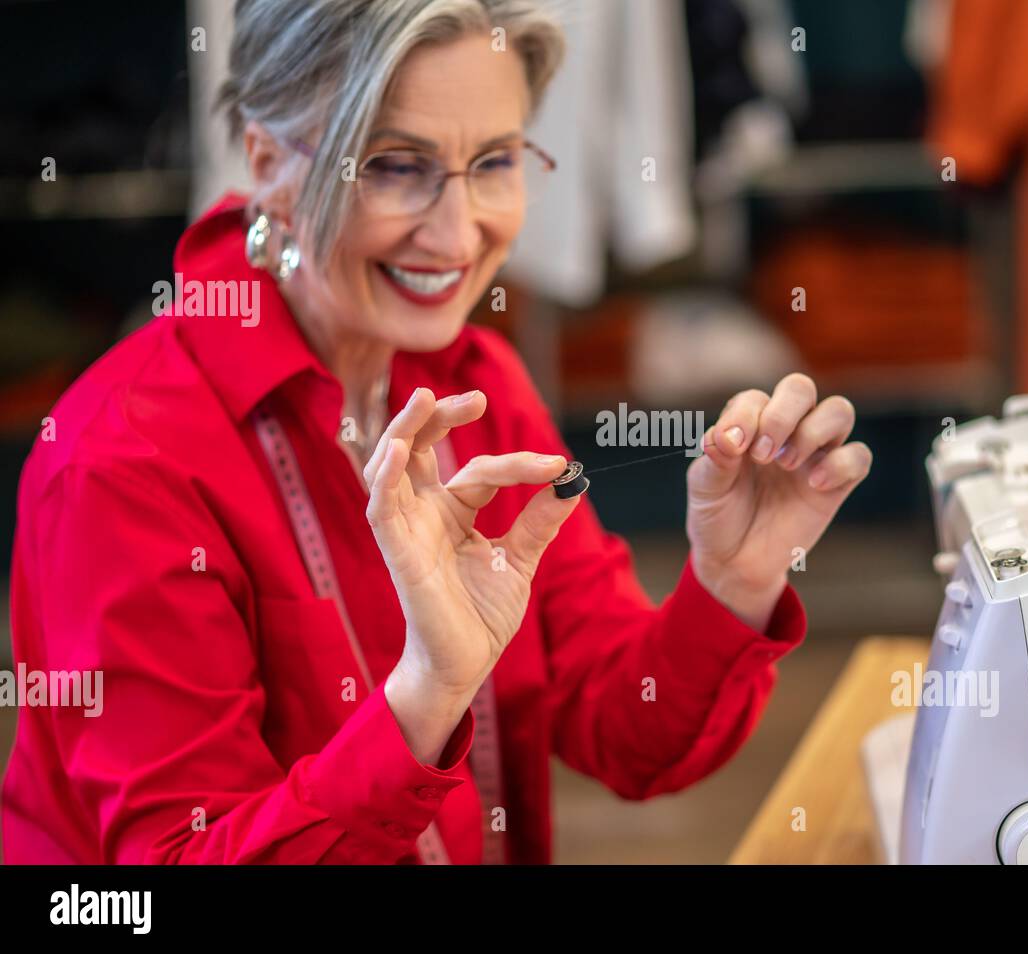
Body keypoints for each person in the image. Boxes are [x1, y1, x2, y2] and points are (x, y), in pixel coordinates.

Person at [2, 0, 871, 864]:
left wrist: (731, 581)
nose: (459, 233)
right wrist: (425, 699)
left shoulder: (476, 382)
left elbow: (623, 731)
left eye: (494, 160)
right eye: (392, 167)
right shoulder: (121, 460)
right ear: (267, 163)